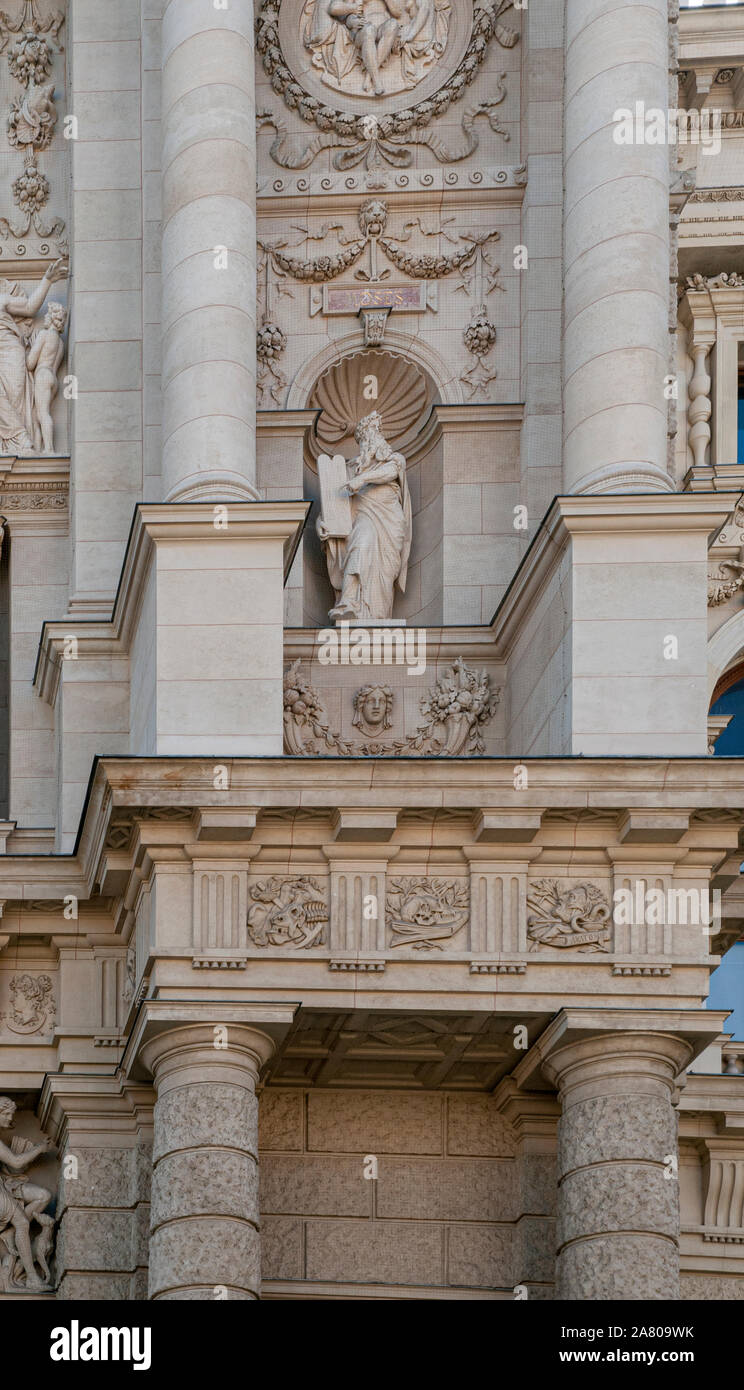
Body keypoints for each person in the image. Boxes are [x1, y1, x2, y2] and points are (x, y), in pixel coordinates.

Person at [318, 410, 412, 622]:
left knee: (384, 574)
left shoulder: (394, 460)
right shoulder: (351, 469)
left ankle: (378, 614)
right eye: (368, 437)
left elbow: (390, 473)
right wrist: (321, 524)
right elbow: (333, 503)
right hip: (363, 519)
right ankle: (349, 602)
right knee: (361, 542)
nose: (374, 439)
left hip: (389, 524)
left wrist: (362, 480)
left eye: (376, 434)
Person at [0, 256, 67, 453]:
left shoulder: (1, 300)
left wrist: (47, 281)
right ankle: (20, 440)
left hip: (9, 353)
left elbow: (29, 307)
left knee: (13, 399)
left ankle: (21, 440)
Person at [27, 300, 66, 453]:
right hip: (53, 378)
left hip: (42, 374)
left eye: (47, 314)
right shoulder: (60, 343)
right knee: (38, 414)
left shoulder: (44, 334)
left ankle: (49, 448)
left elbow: (30, 363)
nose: (44, 317)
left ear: (52, 318)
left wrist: (30, 345)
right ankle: (38, 447)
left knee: (42, 413)